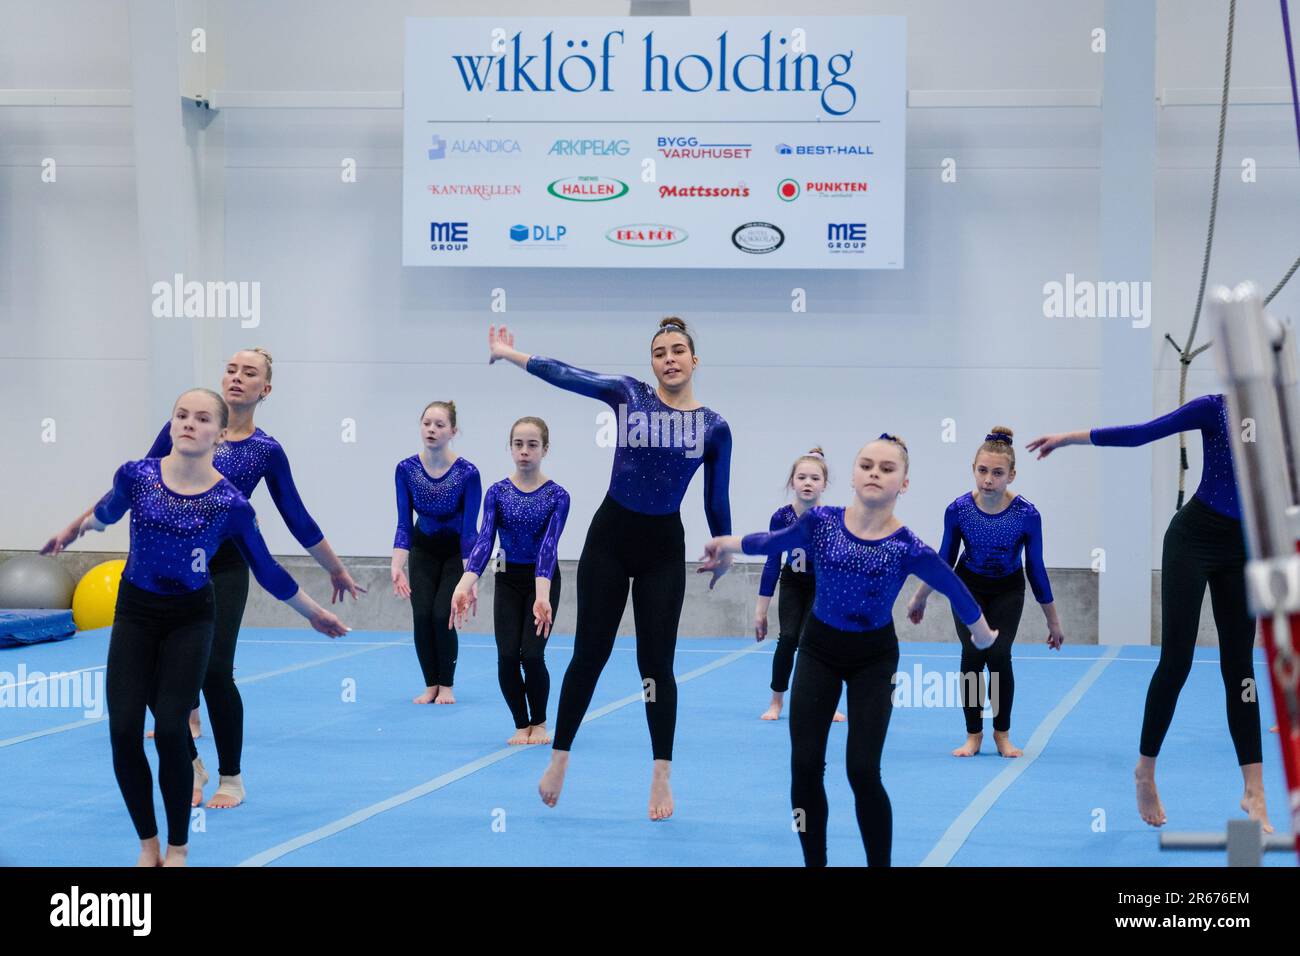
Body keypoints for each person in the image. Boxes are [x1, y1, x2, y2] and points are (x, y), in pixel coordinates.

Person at [44, 348, 363, 809]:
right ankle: (189, 760)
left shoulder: (265, 451)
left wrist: (334, 568)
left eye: (248, 372)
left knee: (215, 670)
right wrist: (76, 527)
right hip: (161, 570)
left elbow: (296, 515)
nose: (236, 377)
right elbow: (130, 487)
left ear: (264, 389)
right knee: (153, 678)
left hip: (227, 566)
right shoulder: (185, 427)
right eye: (230, 369)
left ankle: (231, 777)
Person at [701, 435, 998, 866]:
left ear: (904, 484)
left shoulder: (908, 546)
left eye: (887, 468)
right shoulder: (821, 521)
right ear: (855, 474)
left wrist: (984, 633)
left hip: (873, 659)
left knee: (862, 770)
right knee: (804, 767)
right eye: (866, 465)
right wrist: (726, 543)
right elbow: (773, 542)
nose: (875, 472)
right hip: (819, 648)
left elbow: (956, 589)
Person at [488, 317, 732, 820]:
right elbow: (567, 374)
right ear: (652, 363)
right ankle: (559, 758)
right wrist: (513, 355)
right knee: (589, 654)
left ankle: (661, 773)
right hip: (610, 539)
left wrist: (723, 543)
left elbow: (716, 498)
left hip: (664, 547)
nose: (669, 358)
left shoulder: (713, 427)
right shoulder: (628, 394)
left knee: (656, 665)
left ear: (694, 359)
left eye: (678, 350)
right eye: (660, 351)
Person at [1027, 394, 1271, 831]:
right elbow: (1142, 433)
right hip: (1192, 541)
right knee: (1177, 660)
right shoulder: (1216, 407)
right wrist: (1069, 439)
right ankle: (1145, 770)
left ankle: (1254, 790)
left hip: (1243, 549)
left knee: (1242, 670)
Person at [907, 427, 1065, 757]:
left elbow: (1035, 569)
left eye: (997, 473)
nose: (988, 480)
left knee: (998, 655)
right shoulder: (959, 510)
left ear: (1011, 475)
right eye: (982, 471)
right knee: (972, 656)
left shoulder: (1027, 515)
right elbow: (944, 559)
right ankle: (973, 734)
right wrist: (920, 596)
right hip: (967, 588)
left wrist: (1053, 622)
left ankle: (1002, 734)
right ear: (973, 470)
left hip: (1008, 589)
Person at [450, 417, 570, 745]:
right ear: (510, 448)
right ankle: (521, 723)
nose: (525, 451)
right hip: (507, 579)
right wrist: (463, 584)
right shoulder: (497, 492)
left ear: (545, 449)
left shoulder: (558, 496)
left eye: (532, 445)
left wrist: (542, 595)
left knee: (532, 655)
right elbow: (485, 541)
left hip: (542, 581)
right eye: (518, 444)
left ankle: (540, 722)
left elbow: (549, 547)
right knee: (506, 656)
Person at [392, 400, 482, 705]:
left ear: (453, 431)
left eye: (440, 425)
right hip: (423, 550)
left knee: (443, 614)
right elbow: (404, 523)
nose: (432, 429)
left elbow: (471, 532)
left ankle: (447, 685)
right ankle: (430, 684)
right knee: (421, 615)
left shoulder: (468, 473)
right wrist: (397, 565)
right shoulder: (406, 469)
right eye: (427, 423)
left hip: (456, 553)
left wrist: (472, 578)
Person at [754, 448, 845, 722]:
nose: (808, 483)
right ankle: (776, 701)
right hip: (793, 583)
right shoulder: (781, 518)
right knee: (788, 638)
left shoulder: (834, 518)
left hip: (822, 586)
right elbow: (772, 563)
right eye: (802, 477)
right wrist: (760, 611)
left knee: (815, 643)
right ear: (792, 482)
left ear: (824, 484)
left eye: (814, 478)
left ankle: (824, 703)